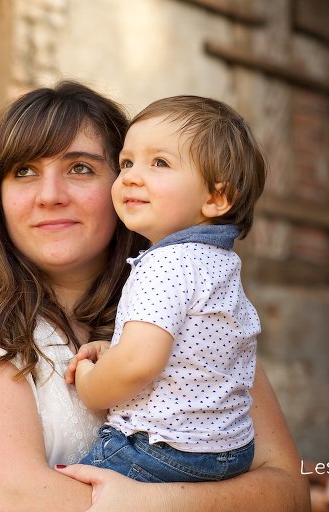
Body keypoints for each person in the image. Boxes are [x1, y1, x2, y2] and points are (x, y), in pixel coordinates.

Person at [0, 81, 309, 511]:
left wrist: (154, 503)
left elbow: (290, 495)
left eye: (80, 168)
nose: (50, 196)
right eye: (24, 172)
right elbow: (17, 503)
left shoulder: (185, 300)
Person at [65, 95, 264, 484]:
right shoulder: (219, 262)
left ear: (216, 198)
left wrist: (89, 385)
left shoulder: (165, 262)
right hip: (228, 451)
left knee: (61, 497)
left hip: (159, 449)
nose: (131, 177)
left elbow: (139, 364)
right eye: (127, 163)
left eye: (159, 163)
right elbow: (190, 353)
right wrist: (117, 348)